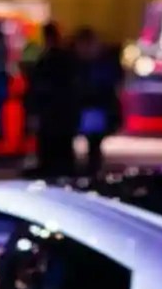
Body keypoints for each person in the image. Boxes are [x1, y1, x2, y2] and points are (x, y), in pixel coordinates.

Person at [29, 21, 79, 178]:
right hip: (64, 111)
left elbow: (38, 86)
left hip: (51, 111)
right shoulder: (67, 57)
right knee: (63, 147)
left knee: (50, 145)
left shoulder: (47, 59)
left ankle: (52, 171)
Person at [74, 27, 123, 177]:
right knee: (93, 142)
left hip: (96, 107)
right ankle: (91, 168)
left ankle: (92, 169)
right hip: (90, 106)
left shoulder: (98, 64)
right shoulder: (88, 64)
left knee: (94, 142)